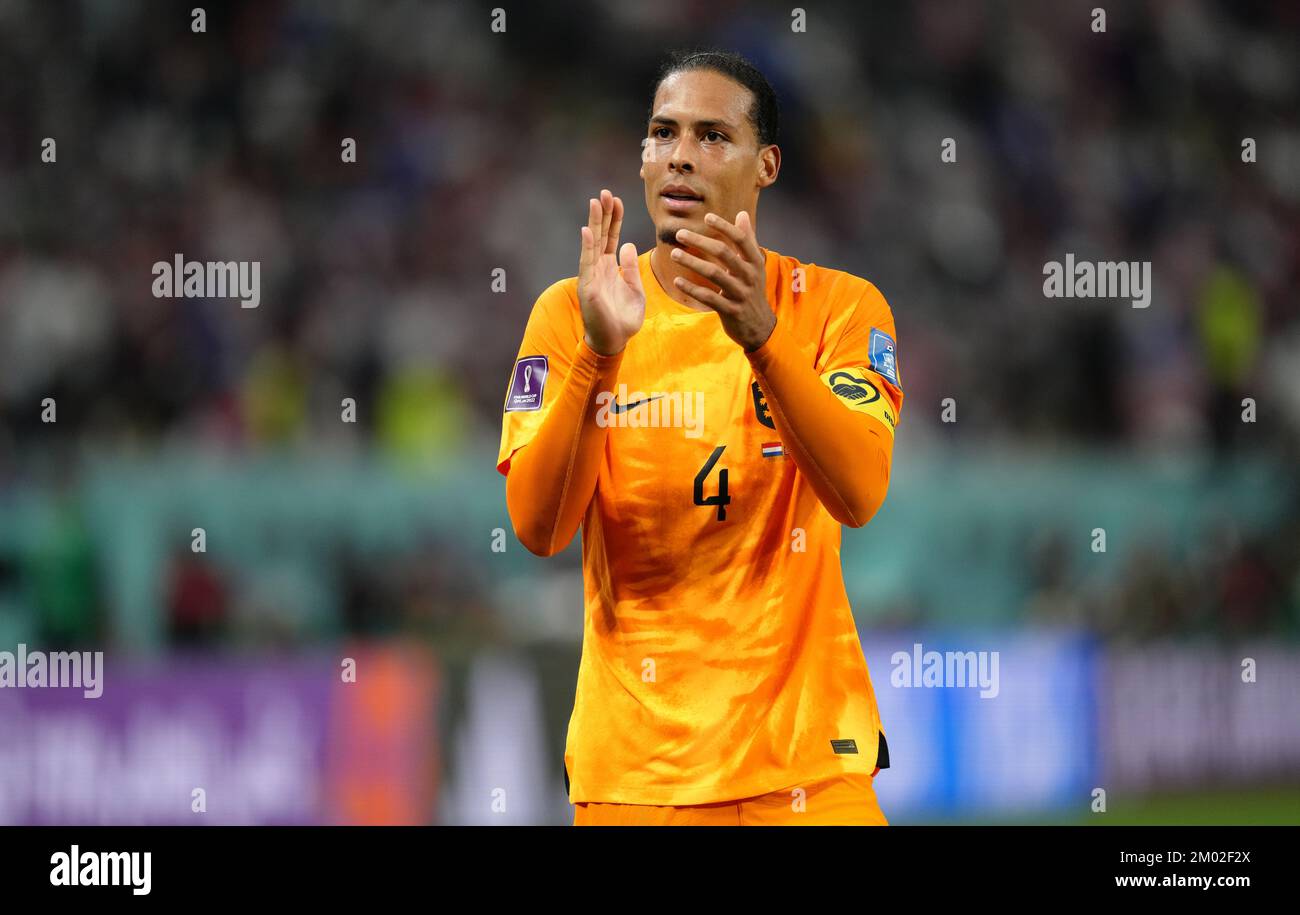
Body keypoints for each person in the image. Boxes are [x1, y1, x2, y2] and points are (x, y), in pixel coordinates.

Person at [498, 49, 904, 825]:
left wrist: (762, 337)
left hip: (808, 773)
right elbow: (540, 528)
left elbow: (858, 492)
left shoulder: (839, 309)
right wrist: (598, 357)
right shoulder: (572, 314)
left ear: (766, 165)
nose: (681, 154)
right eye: (662, 133)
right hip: (637, 781)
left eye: (713, 135)